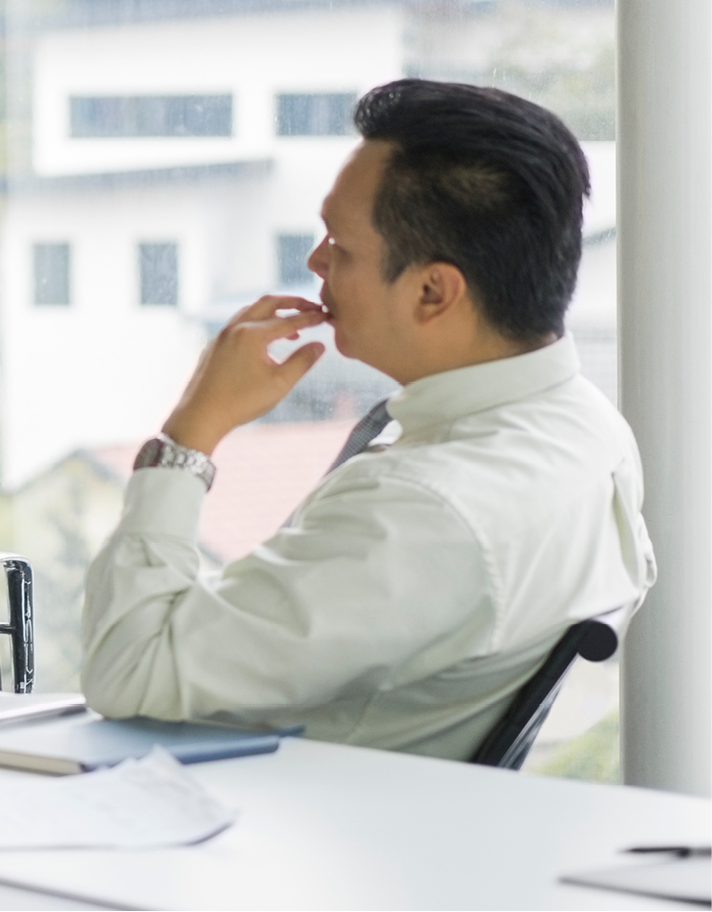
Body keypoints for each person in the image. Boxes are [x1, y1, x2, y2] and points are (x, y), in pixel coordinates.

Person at [83, 79, 655, 759]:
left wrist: (189, 435)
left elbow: (127, 672)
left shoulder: (420, 510)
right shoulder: (587, 428)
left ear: (431, 290)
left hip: (273, 826)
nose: (315, 261)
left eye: (340, 245)